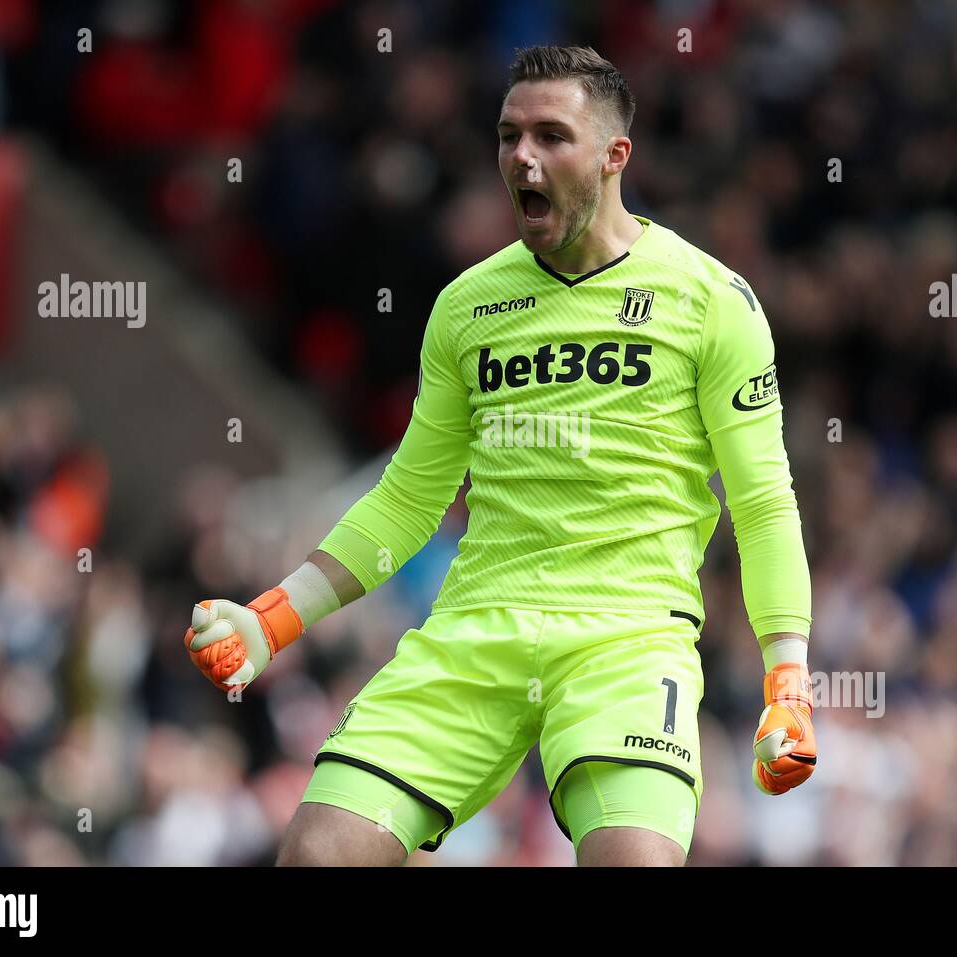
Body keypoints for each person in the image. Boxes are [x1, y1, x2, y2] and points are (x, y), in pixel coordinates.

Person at [185, 45, 815, 867]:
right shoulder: (467, 306)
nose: (523, 156)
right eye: (509, 135)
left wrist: (788, 682)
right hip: (474, 628)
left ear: (614, 157)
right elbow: (409, 497)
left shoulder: (711, 302)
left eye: (552, 136)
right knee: (318, 852)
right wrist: (274, 617)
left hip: (625, 640)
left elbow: (763, 502)